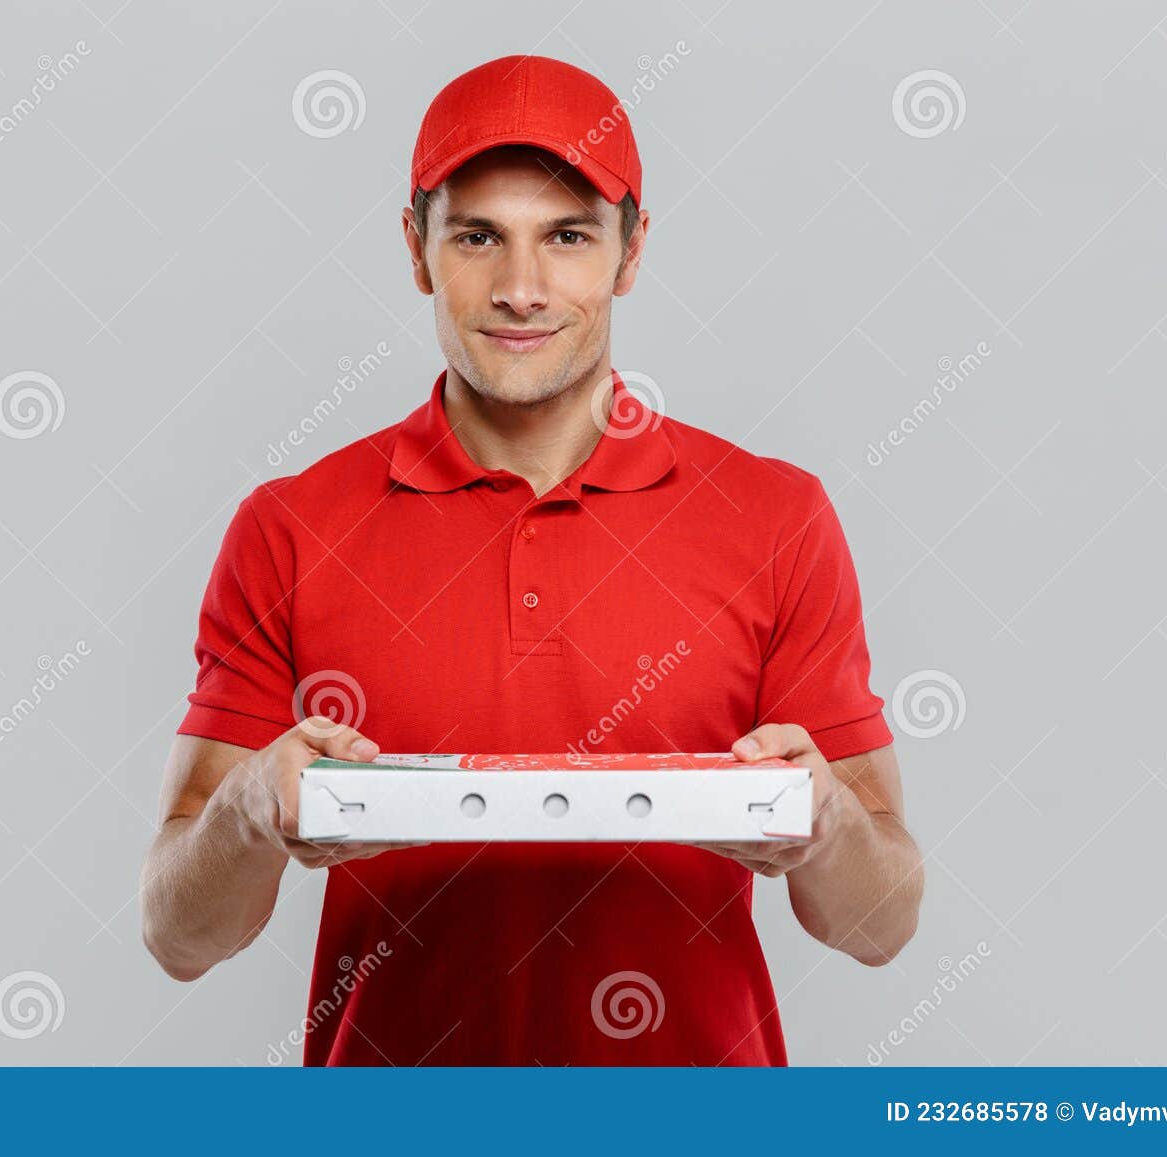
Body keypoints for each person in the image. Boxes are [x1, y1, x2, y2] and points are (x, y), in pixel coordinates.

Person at [142, 54, 923, 1065]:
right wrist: (250, 809)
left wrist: (821, 823)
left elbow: (880, 923)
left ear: (631, 252)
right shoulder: (291, 525)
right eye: (477, 237)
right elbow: (178, 934)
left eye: (566, 237)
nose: (519, 288)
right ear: (416, 249)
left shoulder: (775, 516)